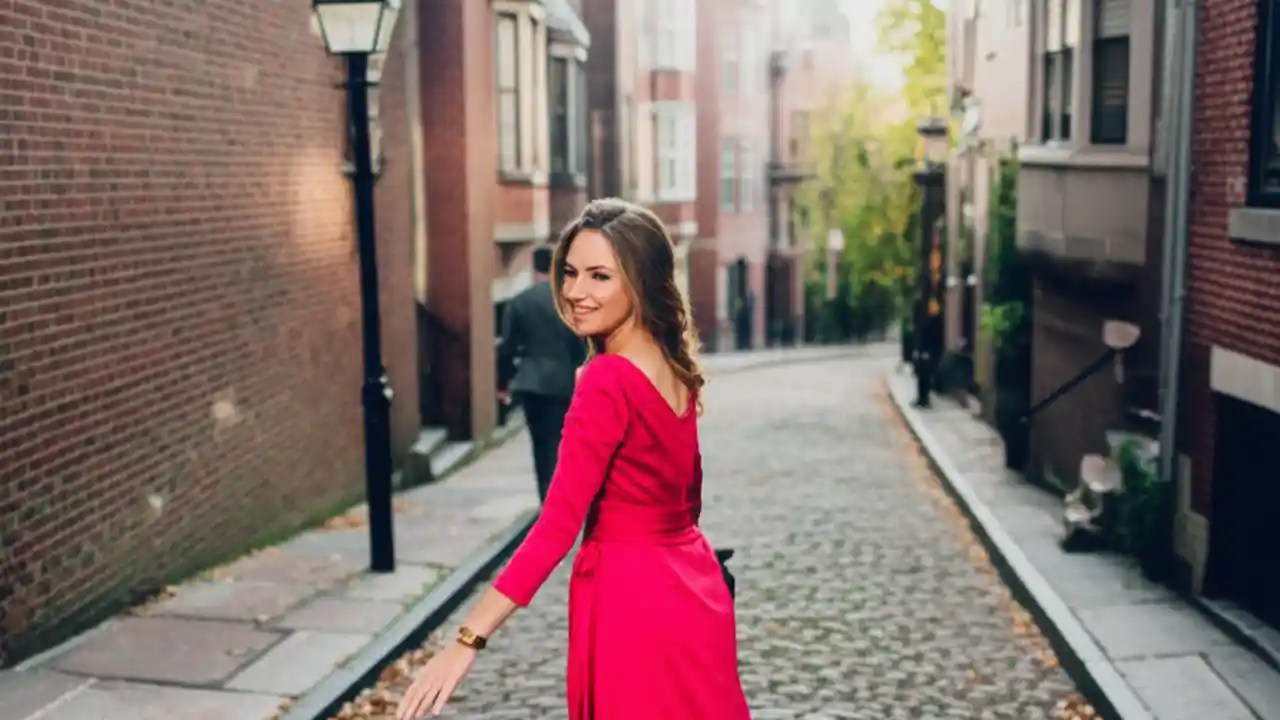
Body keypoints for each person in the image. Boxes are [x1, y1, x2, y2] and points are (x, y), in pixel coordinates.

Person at [397, 198, 751, 720]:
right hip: (693, 594)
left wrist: (466, 640)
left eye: (600, 276)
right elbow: (689, 500)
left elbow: (556, 528)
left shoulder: (606, 379)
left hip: (628, 602)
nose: (574, 292)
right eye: (570, 273)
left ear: (641, 282)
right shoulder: (675, 368)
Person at [499, 244, 587, 502]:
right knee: (566, 443)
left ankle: (547, 500)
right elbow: (581, 347)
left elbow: (507, 347)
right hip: (564, 383)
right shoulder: (570, 302)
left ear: (533, 267)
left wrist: (503, 383)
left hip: (531, 384)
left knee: (541, 444)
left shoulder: (520, 302)